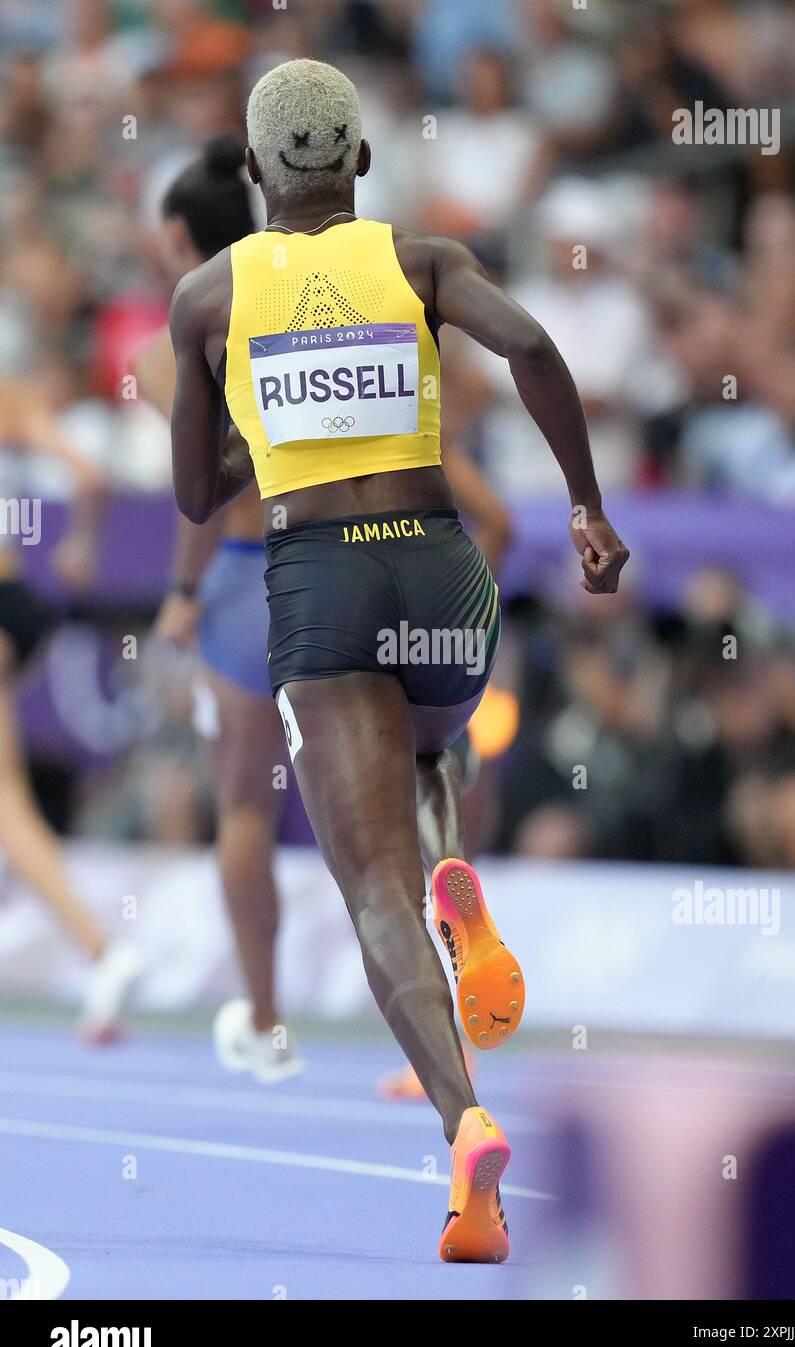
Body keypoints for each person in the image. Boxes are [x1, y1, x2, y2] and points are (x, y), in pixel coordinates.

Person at [169, 60, 628, 1264]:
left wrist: (261, 421)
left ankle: (464, 1121)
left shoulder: (208, 298)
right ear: (361, 164)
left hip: (322, 587)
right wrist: (584, 505)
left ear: (258, 172)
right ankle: (458, 871)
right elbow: (530, 345)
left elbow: (190, 489)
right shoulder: (419, 260)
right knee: (427, 742)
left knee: (370, 884)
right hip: (439, 574)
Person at [139, 136, 512, 1091]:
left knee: (245, 812)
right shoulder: (369, 292)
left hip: (254, 583)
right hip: (398, 552)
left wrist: (182, 598)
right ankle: (448, 1024)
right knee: (412, 786)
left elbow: (204, 490)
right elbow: (476, 493)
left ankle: (266, 1020)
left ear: (182, 236)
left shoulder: (189, 326)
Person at [0, 378, 143, 1038]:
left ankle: (102, 950)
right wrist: (78, 545)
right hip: (18, 605)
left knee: (7, 804)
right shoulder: (13, 398)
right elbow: (88, 475)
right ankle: (101, 953)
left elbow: (87, 473)